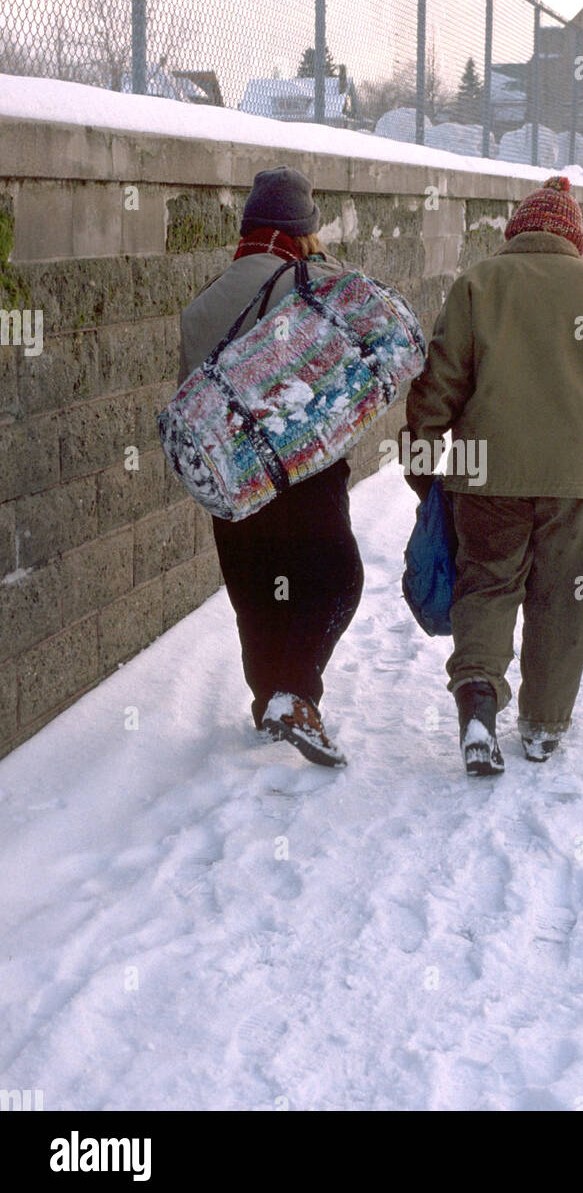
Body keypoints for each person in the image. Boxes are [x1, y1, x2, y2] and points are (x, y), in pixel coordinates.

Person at [402, 175, 583, 776]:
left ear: (517, 230)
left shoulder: (478, 284)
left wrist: (422, 458)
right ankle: (544, 725)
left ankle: (477, 694)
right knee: (562, 597)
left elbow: (438, 381)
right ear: (573, 238)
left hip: (486, 471)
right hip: (578, 478)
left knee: (488, 585)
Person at [177, 167, 364, 768]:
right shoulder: (318, 284)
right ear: (302, 228)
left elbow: (190, 397)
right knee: (338, 578)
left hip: (231, 481)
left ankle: (270, 703)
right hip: (304, 474)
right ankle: (295, 695)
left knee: (257, 594)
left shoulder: (204, 302)